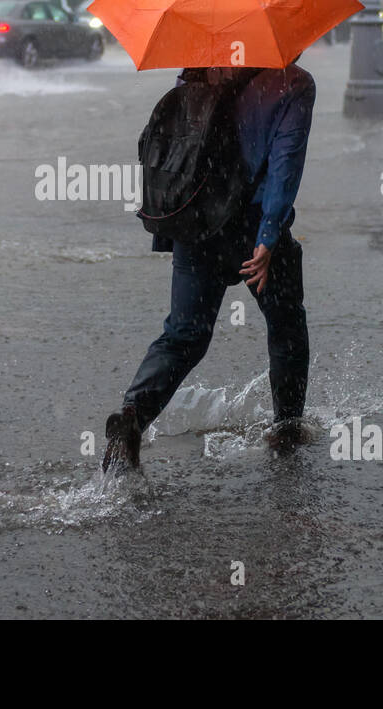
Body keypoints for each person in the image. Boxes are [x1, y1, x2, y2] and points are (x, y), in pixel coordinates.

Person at [101, 62, 317, 471]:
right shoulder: (294, 82)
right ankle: (286, 427)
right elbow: (285, 163)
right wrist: (268, 237)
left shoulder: (194, 72)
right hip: (252, 228)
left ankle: (132, 417)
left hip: (195, 223)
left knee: (183, 335)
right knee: (286, 322)